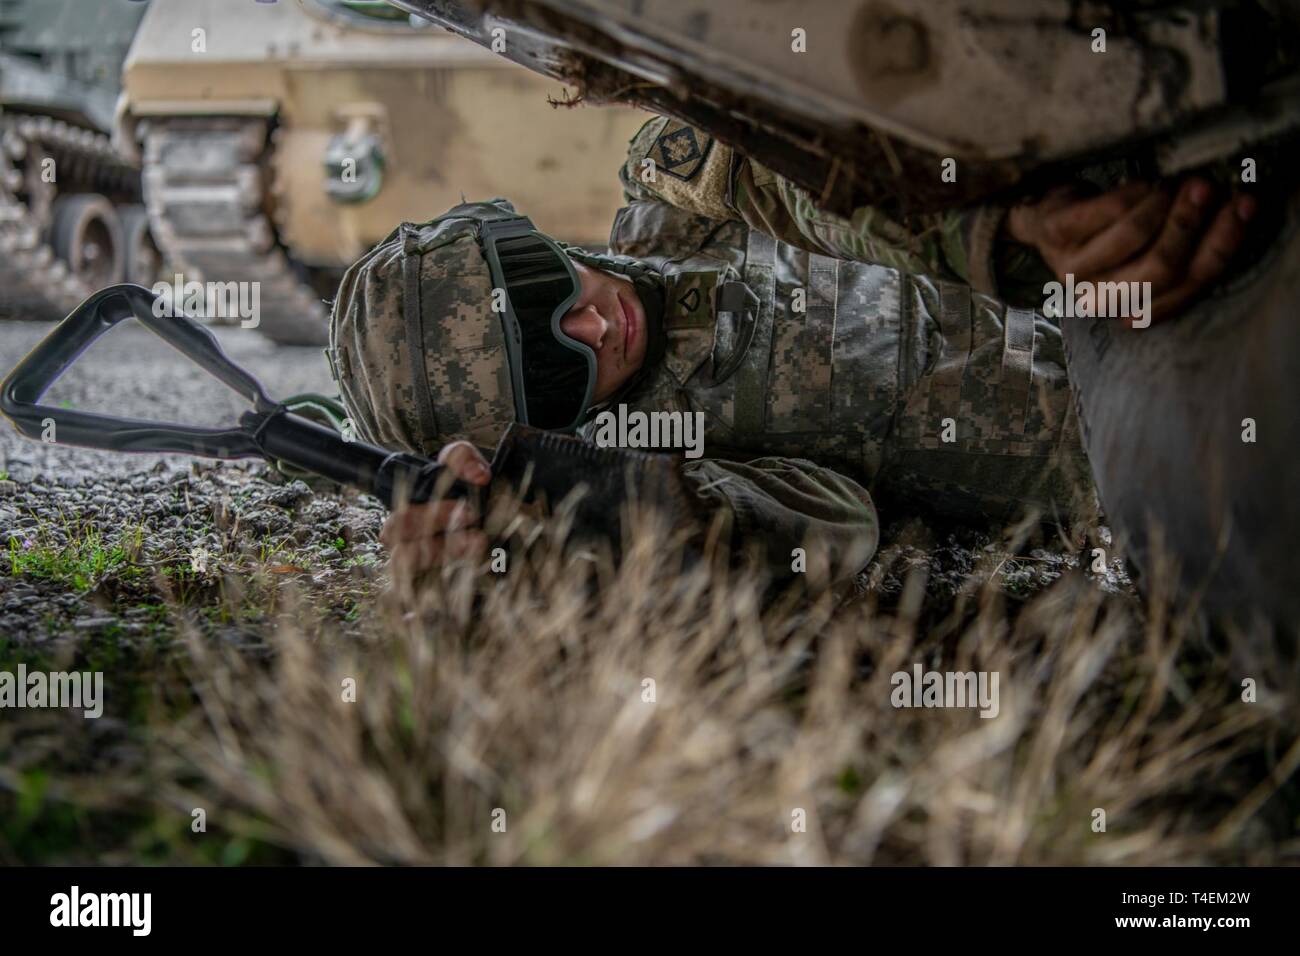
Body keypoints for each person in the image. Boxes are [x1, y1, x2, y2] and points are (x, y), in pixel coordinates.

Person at [326, 116, 1254, 584]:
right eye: (550, 370)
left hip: (1148, 217)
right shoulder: (666, 464)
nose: (592, 327)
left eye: (537, 289)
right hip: (1155, 440)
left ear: (514, 234)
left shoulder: (684, 182)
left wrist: (1000, 235)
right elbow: (811, 530)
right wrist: (541, 534)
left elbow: (833, 169)